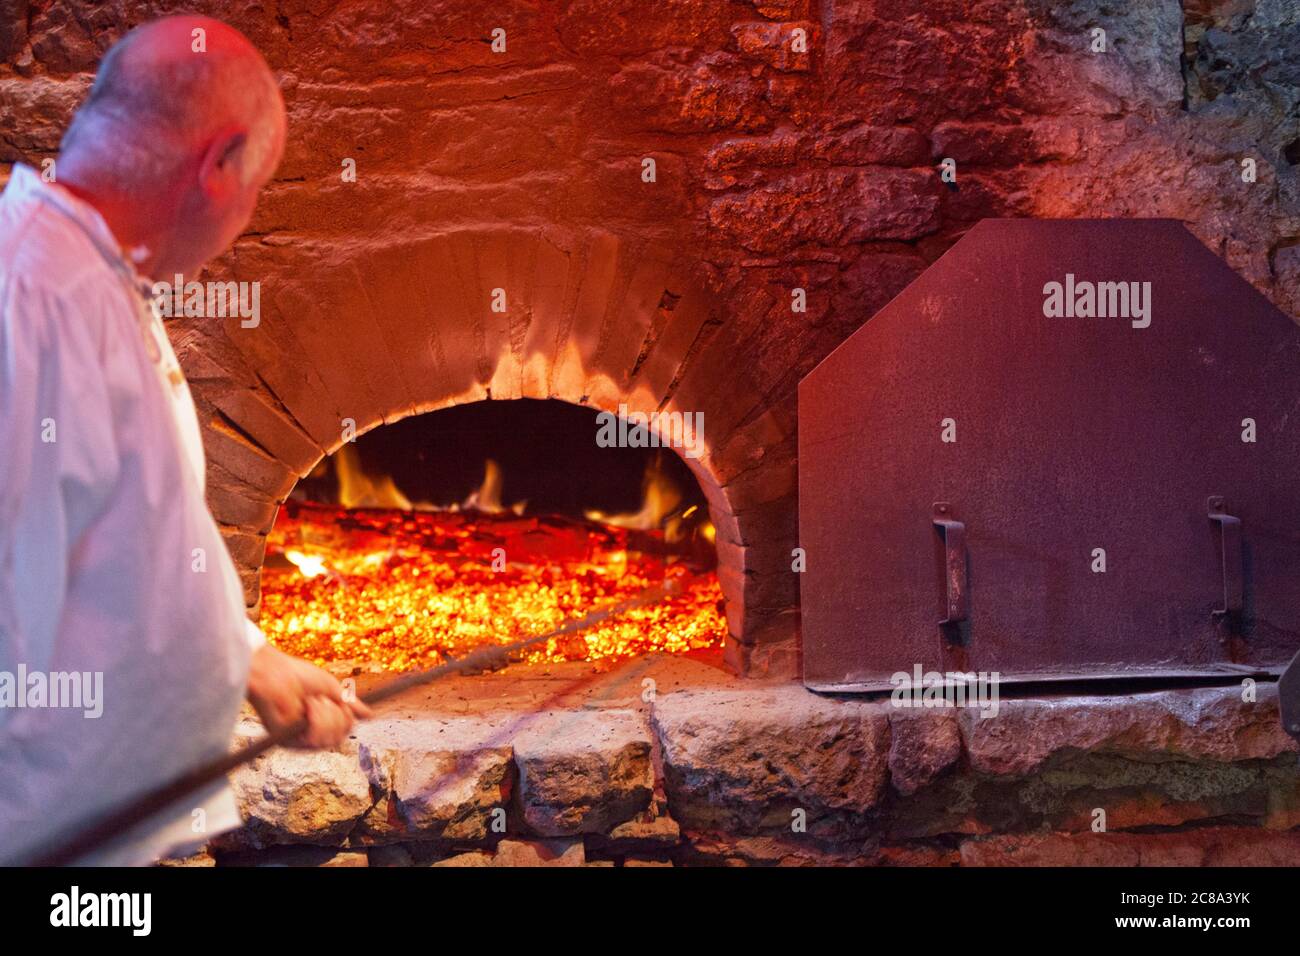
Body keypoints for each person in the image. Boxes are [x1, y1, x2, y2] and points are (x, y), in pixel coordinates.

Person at [0, 14, 369, 865]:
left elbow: (121, 543)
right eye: (259, 187)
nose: (247, 216)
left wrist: (250, 660)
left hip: (101, 837)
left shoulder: (92, 275)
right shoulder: (34, 305)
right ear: (216, 167)